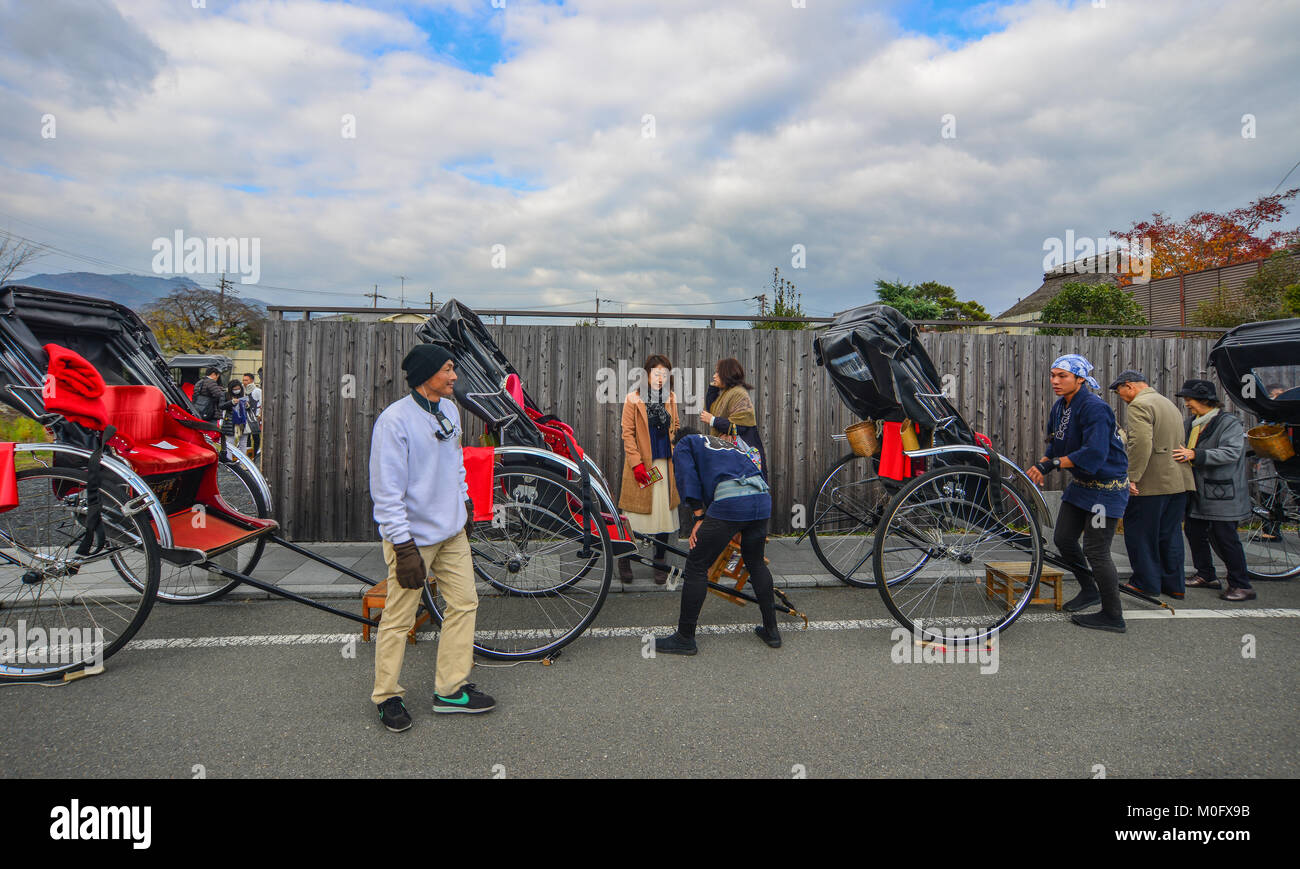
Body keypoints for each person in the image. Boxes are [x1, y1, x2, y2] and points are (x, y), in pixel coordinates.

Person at [369, 343, 494, 732]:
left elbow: (455, 463)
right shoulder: (395, 422)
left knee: (464, 604)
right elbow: (386, 491)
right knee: (398, 618)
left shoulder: (450, 410)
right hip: (412, 539)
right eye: (447, 369)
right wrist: (403, 547)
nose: (454, 376)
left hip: (452, 531)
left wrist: (465, 504)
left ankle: (450, 689)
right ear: (427, 376)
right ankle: (387, 695)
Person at [654, 425, 780, 655]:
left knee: (697, 564)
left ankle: (685, 638)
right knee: (755, 563)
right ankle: (772, 632)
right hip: (761, 498)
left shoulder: (685, 444)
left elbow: (687, 478)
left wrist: (699, 516)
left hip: (733, 502)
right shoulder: (721, 445)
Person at [1026, 354, 1130, 633]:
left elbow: (1094, 453)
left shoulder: (1095, 408)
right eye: (1053, 375)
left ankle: (1112, 615)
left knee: (1096, 550)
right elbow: (1055, 444)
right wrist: (1044, 465)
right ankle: (1089, 589)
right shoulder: (1061, 406)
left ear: (1080, 379)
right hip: (1082, 486)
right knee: (1063, 539)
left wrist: (1054, 464)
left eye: (1063, 376)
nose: (1055, 381)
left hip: (1105, 490)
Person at [1110, 370, 1195, 600]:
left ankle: (1145, 583)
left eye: (1120, 392)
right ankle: (1175, 585)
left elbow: (1141, 444)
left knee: (1141, 534)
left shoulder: (1139, 405)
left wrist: (1132, 476)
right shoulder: (1167, 403)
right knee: (1170, 534)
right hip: (1178, 480)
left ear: (1129, 386)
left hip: (1152, 482)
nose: (1122, 397)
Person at [1174, 380, 1256, 602]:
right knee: (1194, 532)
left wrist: (1196, 455)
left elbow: (1231, 452)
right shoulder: (1191, 423)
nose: (1187, 404)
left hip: (1222, 493)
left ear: (1204, 399)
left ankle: (1241, 584)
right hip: (1197, 491)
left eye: (1189, 399)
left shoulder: (1228, 423)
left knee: (1225, 538)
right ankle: (1206, 574)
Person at [617, 354, 681, 584]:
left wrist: (675, 444)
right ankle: (625, 558)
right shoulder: (633, 399)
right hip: (642, 464)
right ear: (647, 375)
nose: (660, 378)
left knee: (662, 516)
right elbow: (627, 433)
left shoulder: (671, 398)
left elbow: (675, 424)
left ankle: (660, 560)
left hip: (665, 463)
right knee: (634, 516)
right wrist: (636, 465)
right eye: (656, 373)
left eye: (664, 374)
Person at [701, 358, 767, 484]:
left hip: (741, 454)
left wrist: (713, 420)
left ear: (726, 374)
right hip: (729, 454)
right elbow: (711, 407)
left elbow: (740, 426)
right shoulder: (726, 393)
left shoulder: (739, 394)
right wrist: (713, 387)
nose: (714, 376)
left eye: (717, 373)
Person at [242, 372, 262, 459]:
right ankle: (248, 455)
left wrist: (259, 415)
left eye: (246, 380)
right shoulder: (242, 390)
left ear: (252, 380)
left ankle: (255, 454)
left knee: (256, 436)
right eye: (243, 380)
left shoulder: (257, 391)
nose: (244, 382)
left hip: (255, 417)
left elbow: (261, 403)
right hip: (245, 416)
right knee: (246, 437)